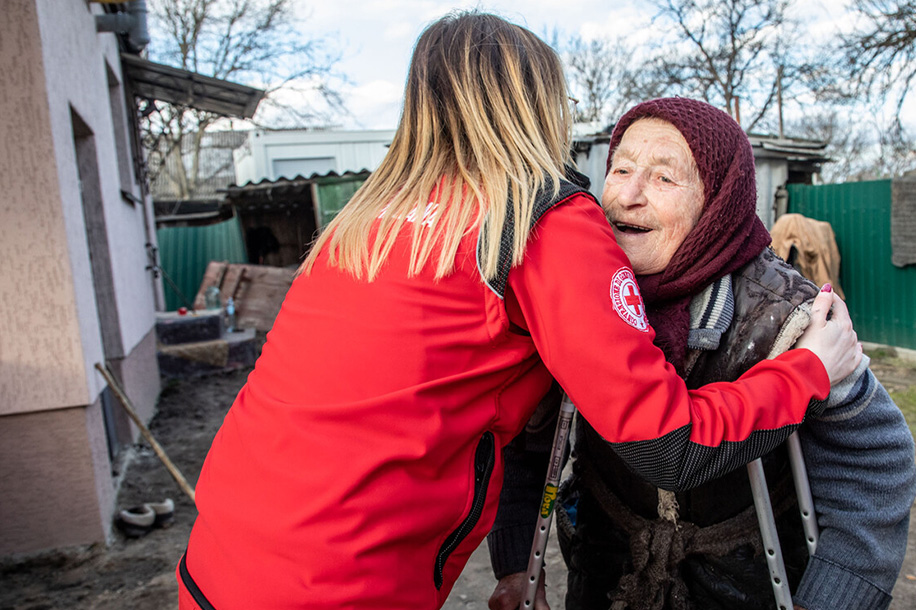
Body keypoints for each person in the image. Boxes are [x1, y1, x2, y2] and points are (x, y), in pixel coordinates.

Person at [175, 15, 862, 610]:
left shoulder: (366, 223)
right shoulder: (537, 222)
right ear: (535, 104)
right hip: (337, 583)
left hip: (220, 560)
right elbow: (664, 443)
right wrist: (806, 372)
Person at [487, 98, 916, 610]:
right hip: (608, 573)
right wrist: (516, 564)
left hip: (752, 580)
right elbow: (526, 440)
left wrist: (836, 597)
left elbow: (876, 462)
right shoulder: (575, 298)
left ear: (719, 200)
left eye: (664, 179)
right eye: (620, 169)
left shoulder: (792, 317)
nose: (627, 195)